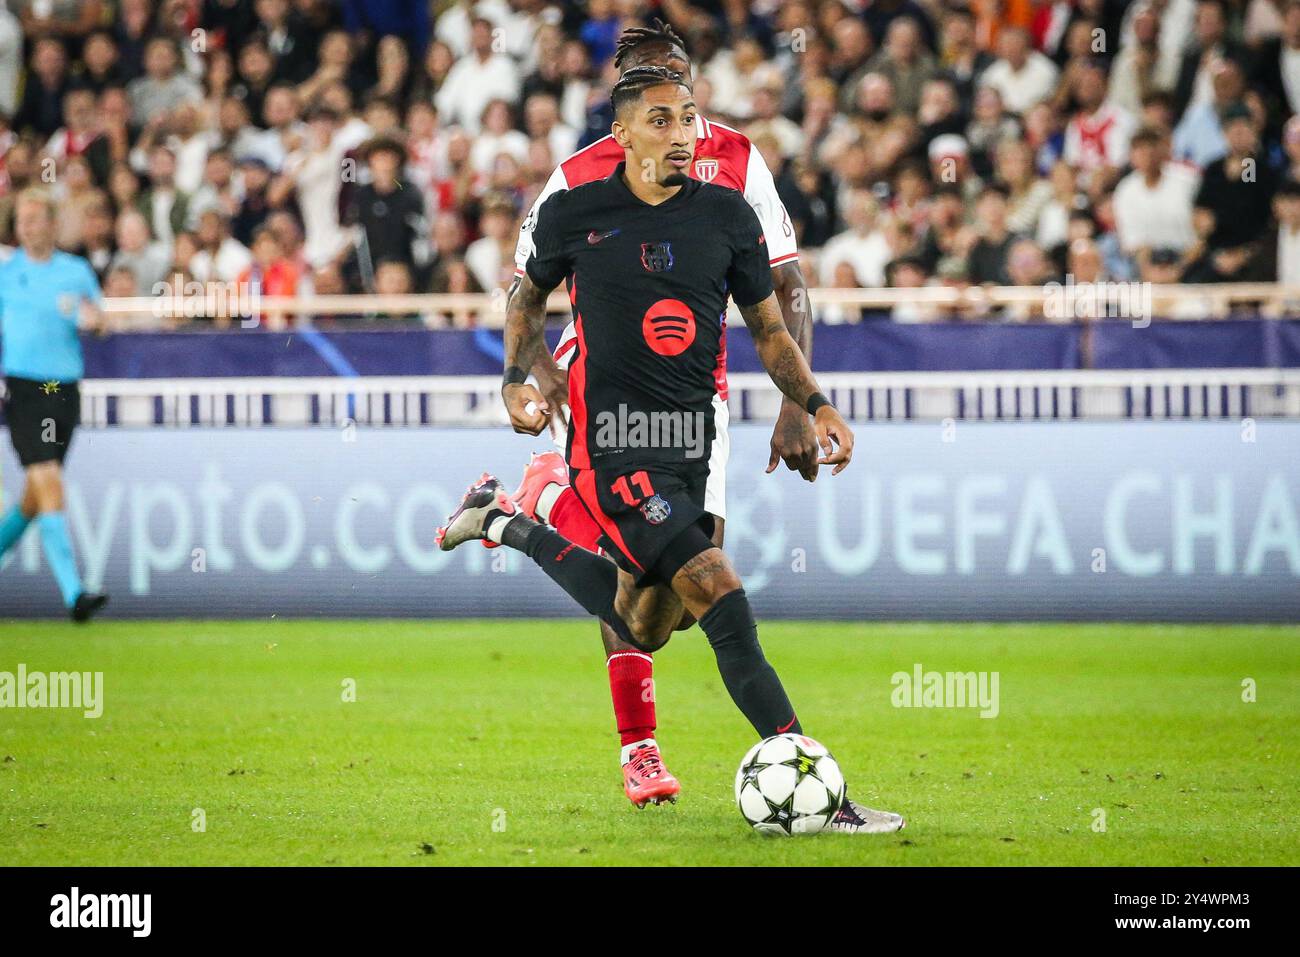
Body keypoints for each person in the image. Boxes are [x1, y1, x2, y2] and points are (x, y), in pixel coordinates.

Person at [436, 67, 905, 835]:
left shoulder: (726, 216)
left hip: (690, 437)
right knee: (718, 588)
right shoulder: (574, 212)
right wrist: (518, 376)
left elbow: (771, 331)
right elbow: (524, 301)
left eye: (689, 119)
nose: (682, 134)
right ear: (621, 134)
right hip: (611, 442)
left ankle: (508, 521)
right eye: (662, 120)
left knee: (653, 620)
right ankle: (819, 786)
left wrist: (813, 402)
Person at [498, 20, 820, 807]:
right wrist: (536, 382)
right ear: (622, 103)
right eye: (648, 88)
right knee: (705, 577)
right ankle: (643, 747)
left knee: (661, 611)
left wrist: (797, 404)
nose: (673, 112)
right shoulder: (579, 181)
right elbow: (526, 295)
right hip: (601, 390)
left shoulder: (737, 164)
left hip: (696, 402)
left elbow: (785, 292)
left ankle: (527, 511)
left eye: (678, 85)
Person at [0, 188, 108, 621]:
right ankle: (74, 593)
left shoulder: (75, 271)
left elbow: (98, 320)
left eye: (34, 219)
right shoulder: (7, 274)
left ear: (51, 223)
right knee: (47, 479)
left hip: (62, 391)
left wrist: (96, 320)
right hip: (25, 389)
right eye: (21, 221)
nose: (26, 227)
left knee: (34, 498)